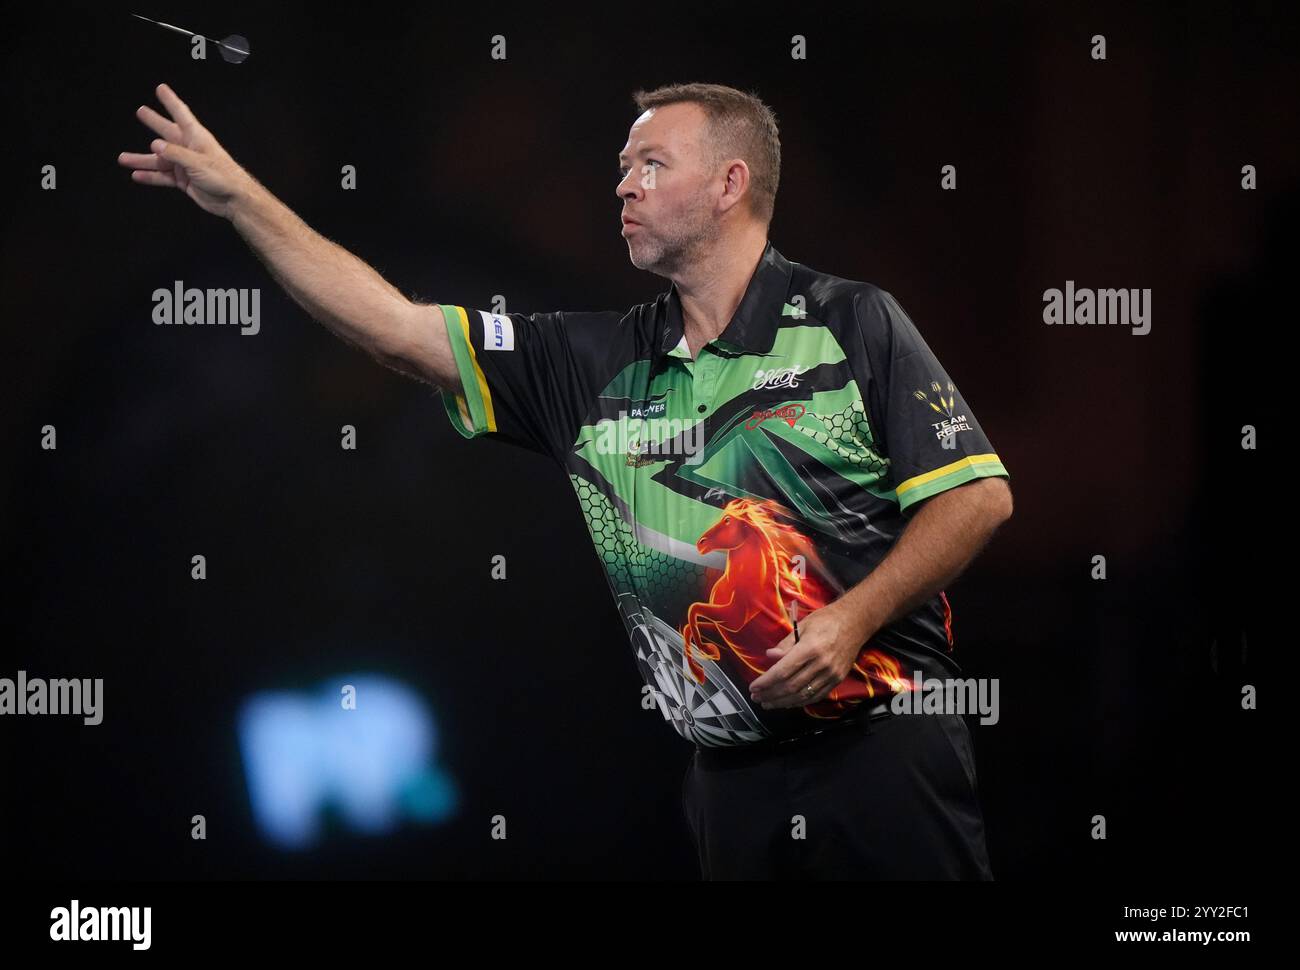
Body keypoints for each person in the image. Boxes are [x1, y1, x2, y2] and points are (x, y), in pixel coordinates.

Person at [119, 80, 1013, 880]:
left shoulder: (852, 320)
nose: (622, 186)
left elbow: (977, 496)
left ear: (730, 185)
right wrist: (241, 202)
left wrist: (853, 617)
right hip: (728, 785)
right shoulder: (585, 359)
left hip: (883, 755)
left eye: (651, 165)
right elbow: (395, 326)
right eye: (623, 168)